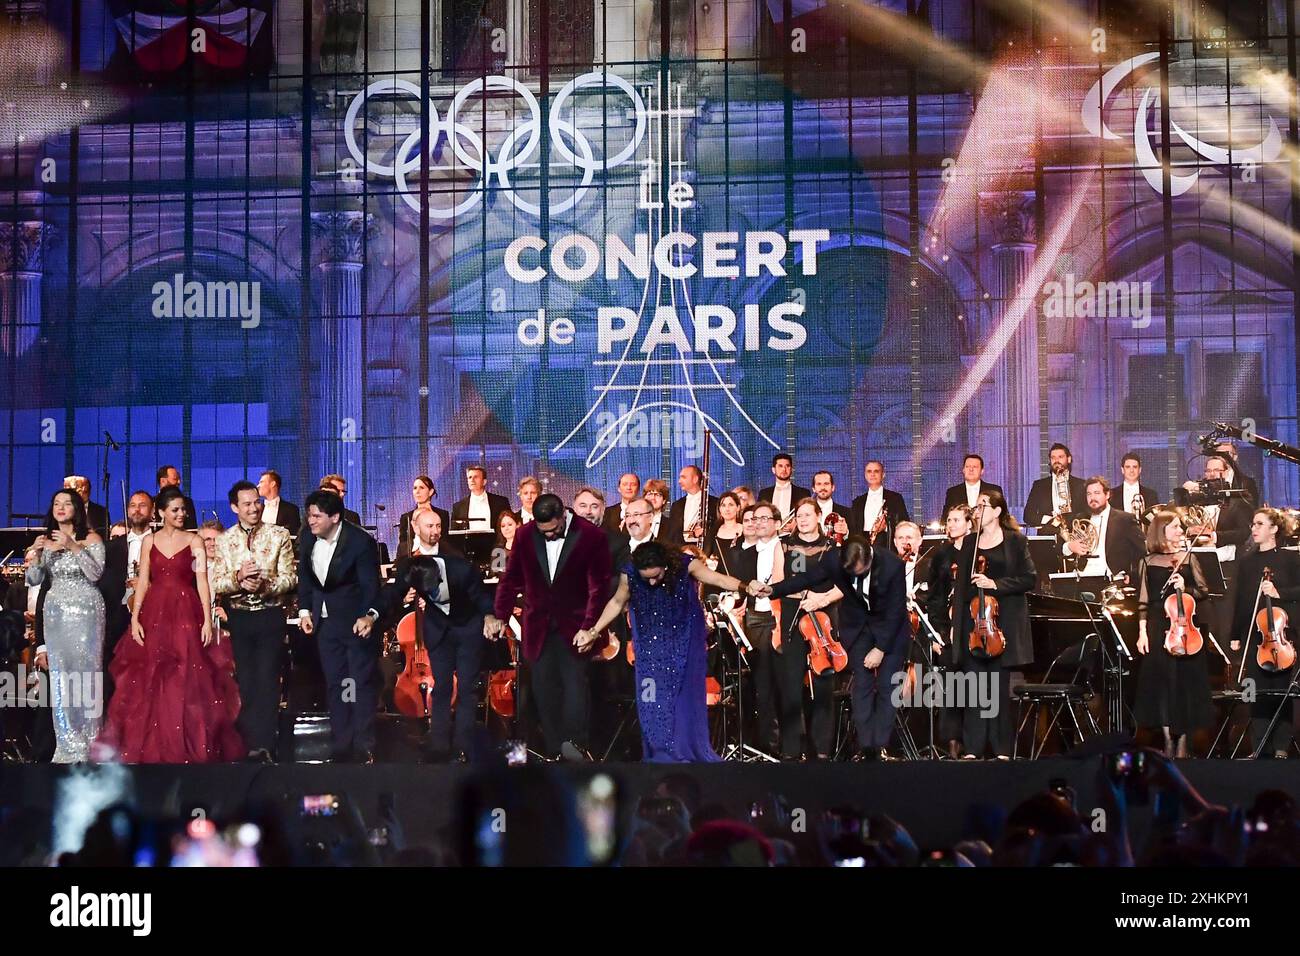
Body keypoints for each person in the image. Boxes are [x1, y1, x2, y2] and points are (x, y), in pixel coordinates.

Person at [98, 485, 243, 763]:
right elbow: (142, 582)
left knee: (186, 675)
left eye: (182, 509)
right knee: (152, 675)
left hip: (186, 612)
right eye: (174, 510)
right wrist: (136, 616)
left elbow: (202, 582)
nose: (181, 514)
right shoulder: (149, 542)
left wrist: (205, 617)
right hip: (154, 611)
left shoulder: (195, 541)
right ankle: (154, 746)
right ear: (162, 512)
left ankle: (188, 745)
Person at [582, 541, 757, 762]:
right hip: (649, 646)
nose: (653, 582)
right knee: (651, 698)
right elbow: (617, 602)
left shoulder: (686, 565)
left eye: (657, 576)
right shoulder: (630, 574)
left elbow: (718, 579)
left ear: (666, 564)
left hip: (684, 642)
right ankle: (659, 751)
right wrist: (594, 631)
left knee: (683, 698)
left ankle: (683, 751)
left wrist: (745, 586)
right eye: (647, 578)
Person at [490, 493, 612, 760]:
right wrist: (499, 615)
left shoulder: (591, 536)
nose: (548, 536)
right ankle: (555, 750)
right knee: (543, 688)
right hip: (538, 625)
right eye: (543, 531)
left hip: (576, 625)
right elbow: (510, 580)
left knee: (574, 686)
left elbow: (598, 588)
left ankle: (576, 746)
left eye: (554, 530)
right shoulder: (524, 535)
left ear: (563, 516)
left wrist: (590, 627)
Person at [771, 535, 907, 761]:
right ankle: (867, 749)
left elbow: (895, 611)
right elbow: (806, 578)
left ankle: (880, 745)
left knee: (887, 686)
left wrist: (881, 649)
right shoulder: (835, 558)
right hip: (858, 629)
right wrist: (772, 590)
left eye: (859, 571)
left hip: (889, 632)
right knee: (861, 686)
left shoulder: (893, 565)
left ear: (870, 557)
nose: (854, 575)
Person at [381, 513, 501, 763]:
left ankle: (463, 747)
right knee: (442, 688)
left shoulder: (460, 567)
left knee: (467, 689)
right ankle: (438, 746)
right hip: (438, 632)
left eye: (438, 525)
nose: (435, 530)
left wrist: (490, 617)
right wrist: (371, 616)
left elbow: (481, 597)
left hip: (467, 629)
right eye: (429, 525)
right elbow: (393, 594)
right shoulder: (409, 565)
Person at [211, 480, 298, 763]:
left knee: (267, 680)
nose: (254, 508)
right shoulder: (224, 540)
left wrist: (264, 585)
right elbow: (217, 582)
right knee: (246, 682)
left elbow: (290, 578)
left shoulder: (279, 535)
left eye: (257, 502)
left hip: (270, 615)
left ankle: (264, 745)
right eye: (247, 504)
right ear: (234, 507)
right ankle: (248, 744)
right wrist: (238, 580)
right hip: (238, 618)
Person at [948, 490, 1037, 759]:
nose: (978, 511)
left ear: (997, 512)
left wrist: (995, 584)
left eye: (983, 506)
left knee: (998, 689)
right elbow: (962, 586)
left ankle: (1001, 749)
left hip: (1003, 624)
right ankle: (973, 748)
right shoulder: (970, 542)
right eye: (977, 507)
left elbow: (1029, 578)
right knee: (975, 686)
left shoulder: (1016, 542)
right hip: (975, 625)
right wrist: (957, 623)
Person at [297, 489, 383, 763]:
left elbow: (371, 584)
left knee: (358, 683)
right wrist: (304, 610)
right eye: (309, 515)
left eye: (316, 516)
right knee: (336, 684)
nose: (310, 521)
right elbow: (306, 578)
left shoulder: (360, 542)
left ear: (334, 517)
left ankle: (363, 745)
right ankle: (341, 744)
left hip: (356, 623)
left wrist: (369, 616)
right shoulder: (308, 537)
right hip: (325, 624)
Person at [24, 489, 106, 763]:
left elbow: (95, 574)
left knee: (86, 675)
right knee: (61, 679)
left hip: (86, 610)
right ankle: (67, 747)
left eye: (67, 503)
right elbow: (34, 579)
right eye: (56, 503)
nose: (60, 508)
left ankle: (90, 745)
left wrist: (72, 545)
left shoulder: (91, 538)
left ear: (77, 509)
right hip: (56, 611)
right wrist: (35, 554)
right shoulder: (46, 543)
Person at [1133, 509, 1213, 758]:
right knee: (1163, 686)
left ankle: (1183, 743)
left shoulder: (1188, 558)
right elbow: (1143, 600)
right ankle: (1168, 740)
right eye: (1176, 526)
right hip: (1160, 628)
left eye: (1181, 527)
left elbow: (1203, 591)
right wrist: (1142, 632)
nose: (1181, 530)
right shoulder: (1147, 561)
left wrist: (1184, 586)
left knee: (1185, 685)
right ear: (1162, 530)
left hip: (1186, 628)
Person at [1229, 508, 1299, 758]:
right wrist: (1236, 634)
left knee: (1280, 691)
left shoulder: (1290, 559)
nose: (1253, 528)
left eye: (1259, 524)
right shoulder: (1247, 562)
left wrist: (1280, 592)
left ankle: (1281, 747)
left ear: (1274, 529)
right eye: (1253, 524)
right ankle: (1259, 748)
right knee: (1255, 693)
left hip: (1281, 637)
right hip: (1255, 637)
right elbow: (1241, 600)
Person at [95, 489, 154, 703]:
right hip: (116, 622)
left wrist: (148, 586)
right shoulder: (110, 548)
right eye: (133, 505)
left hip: (152, 618)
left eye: (142, 505)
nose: (137, 509)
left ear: (153, 511)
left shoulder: (161, 544)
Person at [1024, 443, 1087, 530]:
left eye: (1060, 457)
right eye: (1053, 457)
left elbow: (1087, 513)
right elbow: (1028, 515)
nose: (1056, 460)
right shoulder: (1039, 486)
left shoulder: (1082, 485)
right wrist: (1050, 520)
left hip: (1074, 537)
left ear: (1069, 459)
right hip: (1047, 538)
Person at [848, 461, 910, 546]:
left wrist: (885, 527)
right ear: (865, 475)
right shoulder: (857, 502)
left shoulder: (895, 498)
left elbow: (904, 523)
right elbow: (853, 528)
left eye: (876, 471)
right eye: (869, 471)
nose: (872, 474)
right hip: (863, 545)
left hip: (887, 542)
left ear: (883, 475)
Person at [398, 475, 450, 559]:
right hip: (413, 561)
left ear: (430, 492)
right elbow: (403, 544)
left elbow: (445, 540)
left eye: (421, 488)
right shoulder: (406, 517)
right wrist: (413, 553)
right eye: (415, 488)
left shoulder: (442, 514)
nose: (417, 491)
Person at [451, 465, 510, 531]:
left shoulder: (501, 502)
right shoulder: (458, 507)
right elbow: (454, 533)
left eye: (475, 477)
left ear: (484, 481)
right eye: (469, 477)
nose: (472, 480)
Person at [758, 453, 811, 524]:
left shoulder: (803, 493)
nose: (784, 469)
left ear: (791, 469)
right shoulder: (764, 493)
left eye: (787, 466)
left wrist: (796, 525)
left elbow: (808, 516)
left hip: (794, 534)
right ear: (773, 470)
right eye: (780, 466)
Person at [257, 470, 301, 537]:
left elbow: (294, 534)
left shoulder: (291, 509)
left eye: (261, 482)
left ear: (272, 484)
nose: (258, 486)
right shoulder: (257, 509)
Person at [156, 465, 198, 529]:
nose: (179, 482)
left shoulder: (187, 502)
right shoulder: (152, 502)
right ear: (163, 481)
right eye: (175, 479)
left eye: (179, 479)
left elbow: (192, 529)